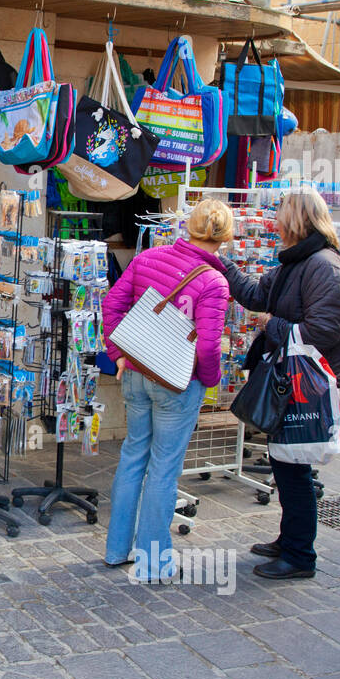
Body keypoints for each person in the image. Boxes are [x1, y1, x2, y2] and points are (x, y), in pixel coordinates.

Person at [222, 186, 340, 580]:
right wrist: (223, 265)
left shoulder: (323, 266)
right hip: (290, 374)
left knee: (295, 470)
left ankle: (299, 556)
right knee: (284, 463)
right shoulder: (297, 262)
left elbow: (324, 330)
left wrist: (272, 326)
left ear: (297, 219)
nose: (274, 220)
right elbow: (256, 295)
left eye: (280, 213)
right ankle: (289, 540)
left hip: (306, 381)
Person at [100, 199, 234, 582]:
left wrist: (118, 355)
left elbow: (112, 302)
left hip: (137, 372)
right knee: (163, 471)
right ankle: (153, 562)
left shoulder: (148, 259)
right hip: (177, 382)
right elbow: (207, 346)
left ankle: (116, 550)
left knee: (132, 458)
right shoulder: (214, 282)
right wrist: (207, 381)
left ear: (188, 226)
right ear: (225, 236)